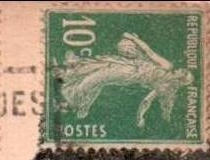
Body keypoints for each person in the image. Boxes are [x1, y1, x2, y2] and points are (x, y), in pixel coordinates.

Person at [57, 32, 194, 128]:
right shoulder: (167, 76)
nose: (181, 69)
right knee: (100, 65)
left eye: (184, 72)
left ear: (181, 78)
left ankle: (71, 96)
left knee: (98, 77)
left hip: (130, 73)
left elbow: (147, 101)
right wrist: (134, 41)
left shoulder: (166, 79)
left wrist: (141, 117)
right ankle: (72, 71)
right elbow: (148, 54)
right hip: (132, 66)